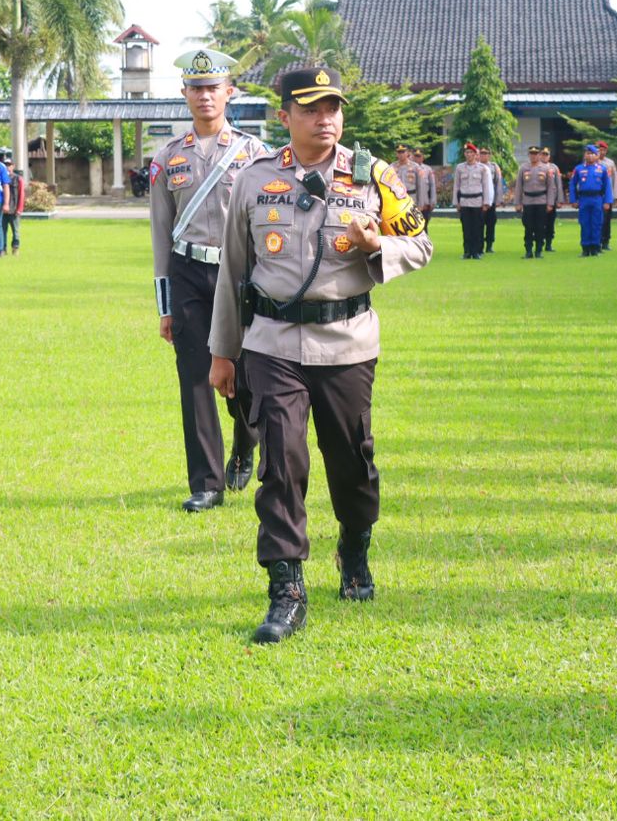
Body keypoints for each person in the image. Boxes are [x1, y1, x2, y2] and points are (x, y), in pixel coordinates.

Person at [209, 66, 433, 644]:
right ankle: (286, 590)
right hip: (273, 343)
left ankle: (354, 547)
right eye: (311, 108)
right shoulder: (254, 181)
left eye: (333, 106)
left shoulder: (374, 176)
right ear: (285, 117)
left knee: (351, 463)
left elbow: (422, 243)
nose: (326, 117)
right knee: (282, 464)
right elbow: (235, 271)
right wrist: (223, 352)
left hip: (348, 342)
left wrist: (378, 244)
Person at [150, 47, 270, 512]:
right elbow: (161, 234)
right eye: (196, 88)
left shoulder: (254, 154)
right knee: (194, 376)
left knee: (244, 372)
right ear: (184, 94)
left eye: (212, 88)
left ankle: (246, 440)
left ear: (228, 92)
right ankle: (206, 481)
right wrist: (164, 306)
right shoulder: (168, 158)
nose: (204, 96)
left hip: (238, 273)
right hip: (187, 273)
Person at [571, 143, 614, 257]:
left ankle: (595, 247)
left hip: (597, 199)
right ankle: (585, 248)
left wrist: (607, 201)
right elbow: (572, 185)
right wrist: (573, 199)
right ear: (585, 155)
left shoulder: (602, 169)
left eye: (592, 154)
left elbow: (607, 186)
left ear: (596, 156)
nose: (590, 156)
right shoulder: (579, 169)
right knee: (584, 223)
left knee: (596, 223)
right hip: (584, 198)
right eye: (587, 153)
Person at [452, 143, 492, 259]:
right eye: (467, 152)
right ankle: (467, 251)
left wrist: (486, 203)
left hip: (477, 201)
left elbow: (486, 186)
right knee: (466, 228)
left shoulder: (482, 168)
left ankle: (476, 251)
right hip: (464, 201)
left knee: (477, 228)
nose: (468, 155)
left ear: (475, 154)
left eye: (471, 153)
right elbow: (456, 186)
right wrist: (456, 202)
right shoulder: (460, 168)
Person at [517, 145, 557, 258]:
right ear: (529, 155)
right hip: (528, 201)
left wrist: (550, 203)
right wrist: (518, 203)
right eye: (531, 154)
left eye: (536, 154)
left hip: (541, 201)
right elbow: (519, 187)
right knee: (528, 227)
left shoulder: (546, 169)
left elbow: (550, 187)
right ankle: (528, 250)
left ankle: (539, 250)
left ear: (539, 155)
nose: (533, 156)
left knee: (540, 227)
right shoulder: (523, 168)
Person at [478, 146, 505, 253]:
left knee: (491, 223)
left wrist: (498, 199)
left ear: (489, 155)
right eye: (482, 153)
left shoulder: (494, 167)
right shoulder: (476, 166)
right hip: (478, 200)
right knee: (479, 223)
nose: (484, 155)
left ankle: (489, 245)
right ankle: (479, 245)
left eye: (486, 153)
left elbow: (498, 184)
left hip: (491, 200)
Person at [2, 155, 26, 253]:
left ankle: (15, 248)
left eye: (9, 165)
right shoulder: (0, 178)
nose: (7, 167)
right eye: (5, 165)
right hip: (2, 210)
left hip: (14, 209)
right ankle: (3, 248)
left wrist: (19, 209)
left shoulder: (18, 179)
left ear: (13, 166)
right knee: (2, 231)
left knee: (15, 231)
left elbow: (21, 194)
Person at [597, 141, 617, 250]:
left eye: (603, 150)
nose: (601, 152)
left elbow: (614, 180)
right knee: (597, 219)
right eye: (599, 150)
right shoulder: (592, 163)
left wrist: (614, 195)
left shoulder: (610, 163)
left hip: (607, 195)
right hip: (596, 195)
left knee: (606, 220)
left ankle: (606, 241)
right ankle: (597, 241)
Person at [540, 148, 562, 252]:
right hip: (539, 199)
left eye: (546, 154)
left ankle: (548, 244)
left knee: (550, 223)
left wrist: (559, 200)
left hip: (551, 199)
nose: (544, 156)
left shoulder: (554, 168)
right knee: (539, 223)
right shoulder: (536, 167)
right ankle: (539, 242)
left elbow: (558, 184)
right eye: (543, 154)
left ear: (549, 156)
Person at [411, 148, 436, 229]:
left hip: (425, 204)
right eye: (415, 156)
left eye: (419, 156)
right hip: (412, 203)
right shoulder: (409, 169)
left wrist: (432, 201)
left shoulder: (428, 169)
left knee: (423, 227)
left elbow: (432, 186)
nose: (417, 158)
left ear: (423, 157)